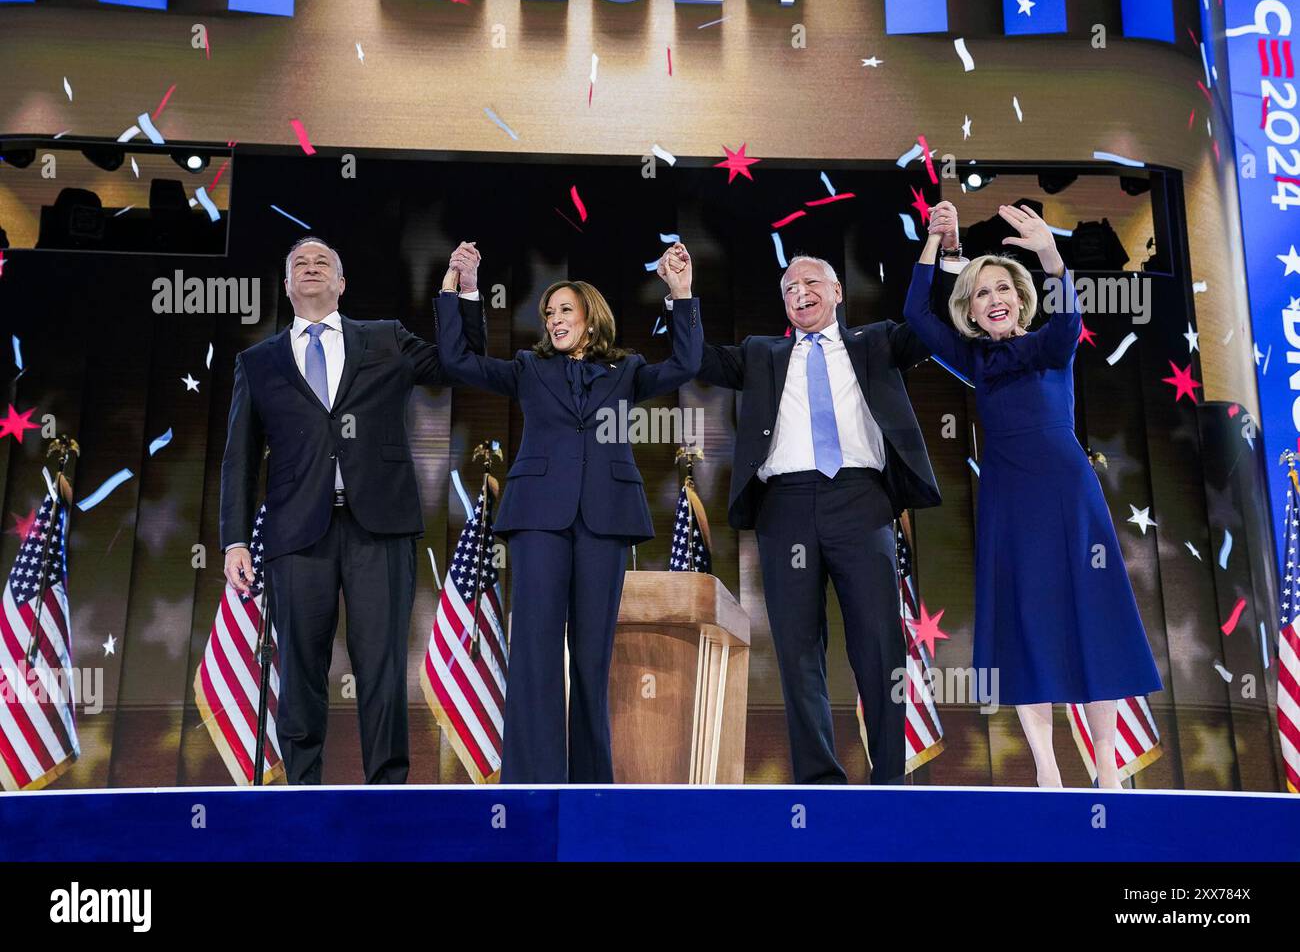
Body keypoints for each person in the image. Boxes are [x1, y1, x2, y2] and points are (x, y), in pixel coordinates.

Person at [667, 241, 957, 785]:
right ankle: (819, 781)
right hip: (786, 508)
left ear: (838, 293)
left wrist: (946, 256)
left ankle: (890, 780)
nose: (800, 294)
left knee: (879, 644)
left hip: (862, 501)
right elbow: (696, 358)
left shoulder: (876, 342)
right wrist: (682, 293)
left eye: (811, 284)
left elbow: (932, 325)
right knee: (799, 648)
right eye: (790, 289)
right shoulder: (761, 353)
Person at [905, 200, 1163, 789]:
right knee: (1024, 624)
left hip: (1070, 496)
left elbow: (1070, 316)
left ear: (1020, 298)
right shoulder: (974, 359)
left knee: (1091, 618)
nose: (993, 298)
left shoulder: (1052, 343)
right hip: (1009, 501)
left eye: (1002, 288)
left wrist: (1050, 252)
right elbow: (916, 312)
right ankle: (1047, 769)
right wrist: (934, 238)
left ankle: (1105, 765)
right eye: (979, 293)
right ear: (970, 311)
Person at [219, 236, 486, 785]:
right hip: (296, 533)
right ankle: (302, 794)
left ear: (341, 284)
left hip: (380, 527)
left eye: (323, 263)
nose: (311, 268)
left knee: (382, 667)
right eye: (300, 263)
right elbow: (239, 458)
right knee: (299, 670)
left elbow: (460, 365)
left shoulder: (385, 338)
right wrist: (235, 539)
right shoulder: (258, 361)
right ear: (287, 285)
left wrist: (463, 293)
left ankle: (387, 792)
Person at [435, 241, 703, 784]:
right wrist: (457, 290)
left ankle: (589, 784)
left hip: (604, 520)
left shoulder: (626, 369)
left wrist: (681, 294)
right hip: (538, 521)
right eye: (549, 313)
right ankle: (531, 781)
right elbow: (458, 361)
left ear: (590, 317)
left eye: (565, 311)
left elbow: (686, 363)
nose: (555, 320)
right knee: (533, 651)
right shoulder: (528, 367)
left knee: (592, 657)